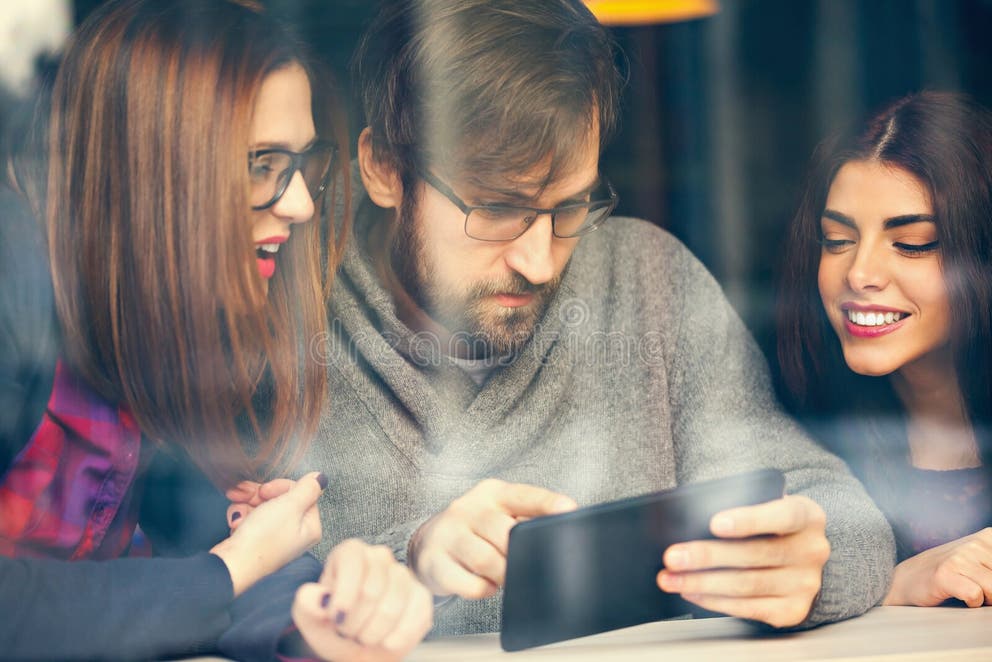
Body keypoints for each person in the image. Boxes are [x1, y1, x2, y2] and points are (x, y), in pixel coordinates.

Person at [237, 0, 894, 636]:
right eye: (496, 209)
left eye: (570, 210)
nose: (540, 262)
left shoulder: (647, 282)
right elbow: (208, 580)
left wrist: (810, 561)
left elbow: (840, 514)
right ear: (383, 168)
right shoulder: (277, 307)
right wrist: (408, 565)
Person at [0, 1, 431, 660]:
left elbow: (195, 563)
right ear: (152, 170)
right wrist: (231, 569)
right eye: (262, 165)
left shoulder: (155, 309)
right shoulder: (16, 282)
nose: (302, 204)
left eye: (304, 162)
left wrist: (324, 610)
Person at [776, 91, 992, 608]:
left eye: (913, 242)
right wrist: (901, 584)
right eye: (836, 239)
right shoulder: (787, 433)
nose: (859, 274)